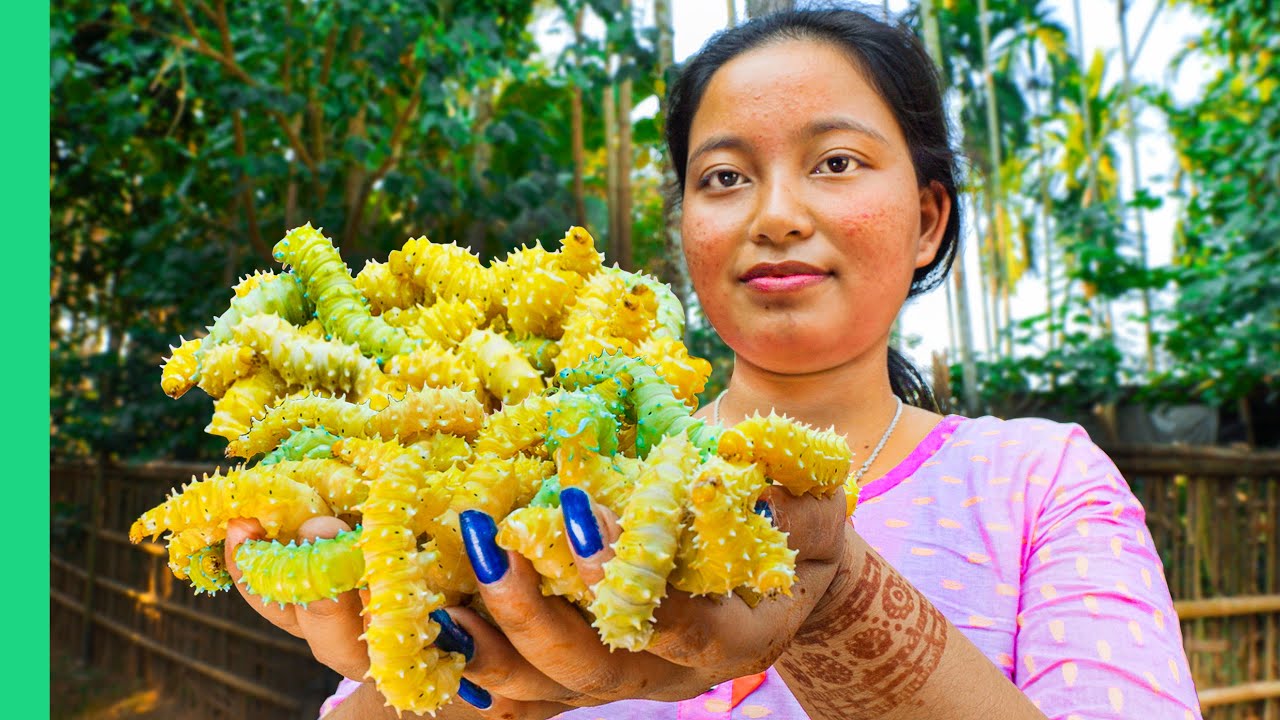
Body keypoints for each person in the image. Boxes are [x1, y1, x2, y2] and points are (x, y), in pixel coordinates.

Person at [225, 8, 1203, 719]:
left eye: (834, 162)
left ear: (927, 217)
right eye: (724, 177)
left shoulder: (1037, 481)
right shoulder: (531, 482)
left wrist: (836, 602)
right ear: (685, 226)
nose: (773, 214)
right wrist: (450, 691)